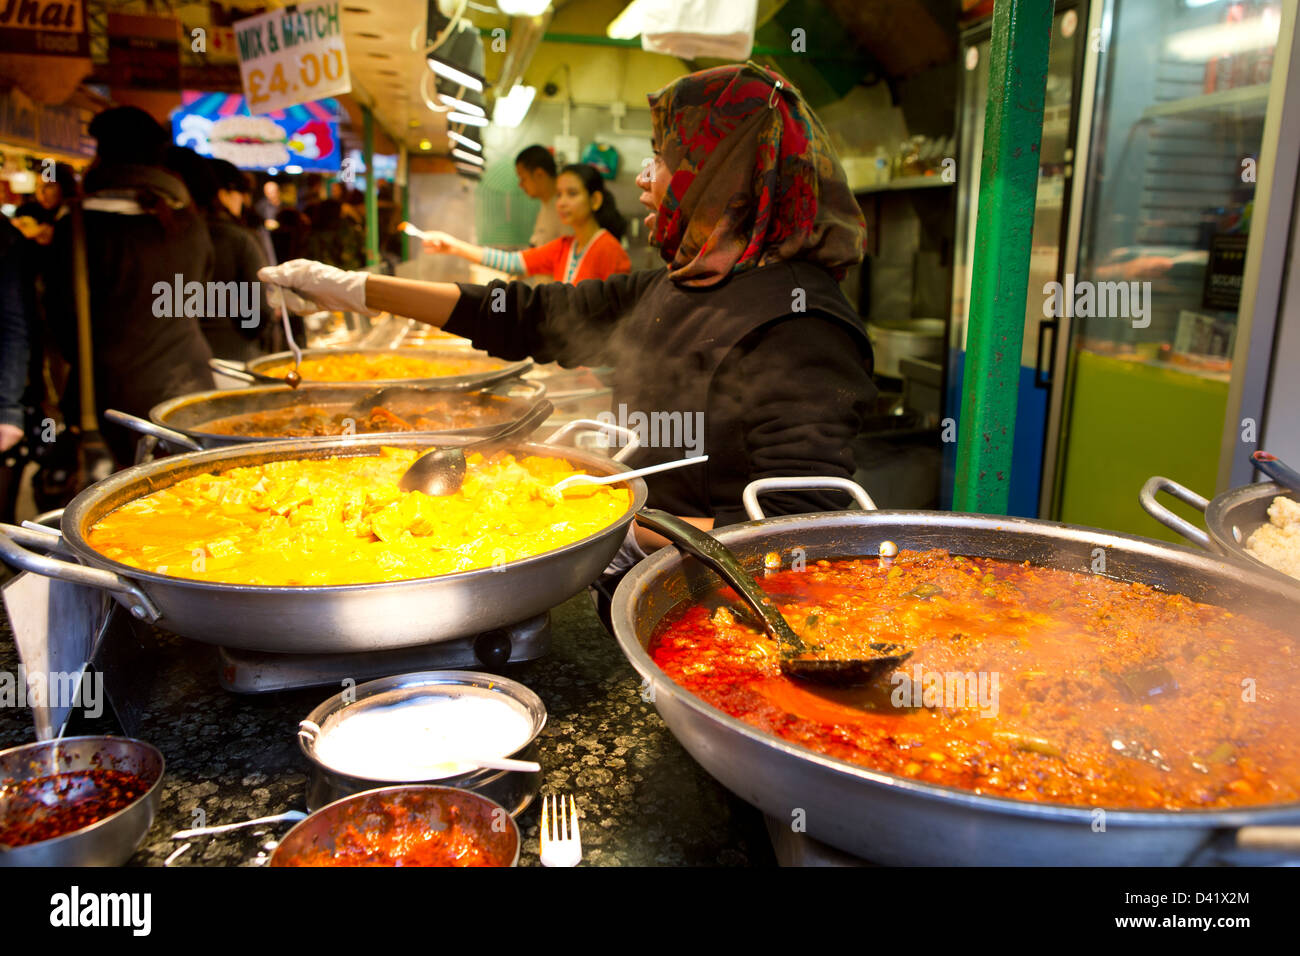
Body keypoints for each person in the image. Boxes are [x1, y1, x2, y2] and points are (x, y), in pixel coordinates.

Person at [260, 64, 873, 558]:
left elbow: (801, 536)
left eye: (660, 158)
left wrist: (613, 523)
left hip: (713, 622)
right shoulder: (683, 282)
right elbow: (531, 312)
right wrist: (360, 290)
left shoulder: (800, 324)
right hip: (639, 566)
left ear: (719, 173)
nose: (643, 179)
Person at [45, 106, 216, 467]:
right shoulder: (189, 223)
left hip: (111, 401)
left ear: (102, 156)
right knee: (192, 501)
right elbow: (201, 293)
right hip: (190, 391)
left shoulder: (77, 226)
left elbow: (62, 322)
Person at [421, 163, 630, 283]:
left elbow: (620, 318)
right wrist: (454, 246)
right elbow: (512, 263)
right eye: (559, 195)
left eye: (572, 194)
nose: (562, 203)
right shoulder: (565, 247)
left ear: (595, 200)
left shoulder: (610, 250)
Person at [515, 145, 569, 248]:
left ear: (539, 174)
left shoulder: (564, 209)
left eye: (523, 179)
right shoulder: (546, 204)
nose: (520, 185)